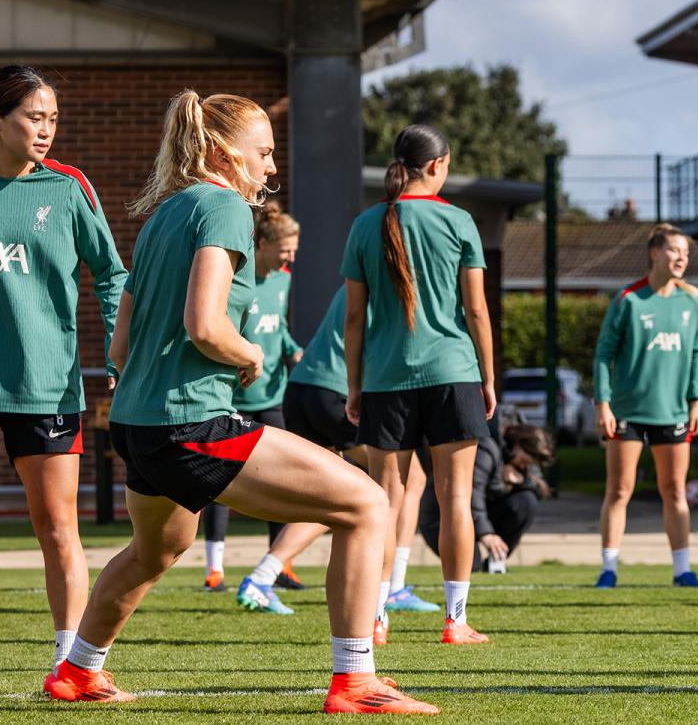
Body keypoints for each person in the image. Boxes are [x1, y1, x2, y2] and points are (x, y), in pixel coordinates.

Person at [44, 90, 434, 714]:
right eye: (264, 153)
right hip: (189, 420)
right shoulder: (225, 207)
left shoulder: (164, 216)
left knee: (157, 549)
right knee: (366, 503)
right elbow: (205, 325)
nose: (271, 168)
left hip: (138, 424)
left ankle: (77, 671)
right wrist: (250, 355)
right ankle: (356, 681)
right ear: (226, 154)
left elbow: (120, 341)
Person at [0, 65, 125, 694]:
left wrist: (120, 355)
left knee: (58, 528)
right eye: (33, 117)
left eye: (53, 119)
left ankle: (71, 665)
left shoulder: (69, 188)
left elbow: (113, 274)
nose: (46, 130)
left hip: (49, 383)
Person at [343, 124, 496, 647]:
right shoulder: (458, 220)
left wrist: (354, 386)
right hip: (454, 373)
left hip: (385, 378)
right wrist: (489, 378)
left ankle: (375, 619)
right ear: (436, 166)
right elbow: (476, 309)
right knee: (456, 500)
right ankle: (455, 622)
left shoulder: (365, 223)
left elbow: (354, 320)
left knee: (385, 503)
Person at [235, 285, 440, 616]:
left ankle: (262, 577)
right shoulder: (397, 281)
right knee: (407, 478)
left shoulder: (359, 271)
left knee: (329, 496)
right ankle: (395, 588)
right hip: (335, 395)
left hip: (302, 389)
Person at [592, 224, 698, 589]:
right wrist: (604, 404)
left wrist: (696, 400)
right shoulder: (628, 299)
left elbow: (696, 355)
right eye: (674, 250)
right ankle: (609, 569)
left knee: (675, 491)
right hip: (627, 412)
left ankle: (682, 570)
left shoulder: (692, 303)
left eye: (685, 253)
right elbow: (603, 355)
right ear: (655, 253)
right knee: (619, 490)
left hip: (673, 413)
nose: (681, 258)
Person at [201, 200, 304, 599]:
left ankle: (280, 564)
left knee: (283, 481)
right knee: (220, 482)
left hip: (273, 395)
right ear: (262, 244)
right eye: (285, 249)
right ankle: (214, 569)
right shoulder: (235, 277)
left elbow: (278, 328)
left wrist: (293, 349)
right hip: (236, 396)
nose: (290, 256)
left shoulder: (284, 278)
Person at [420, 423, 555, 571]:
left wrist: (521, 481)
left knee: (526, 501)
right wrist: (486, 533)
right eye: (523, 462)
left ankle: (495, 560)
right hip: (442, 516)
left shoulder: (521, 458)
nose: (524, 467)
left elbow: (539, 490)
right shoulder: (485, 449)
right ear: (517, 446)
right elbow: (472, 493)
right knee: (470, 566)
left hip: (478, 514)